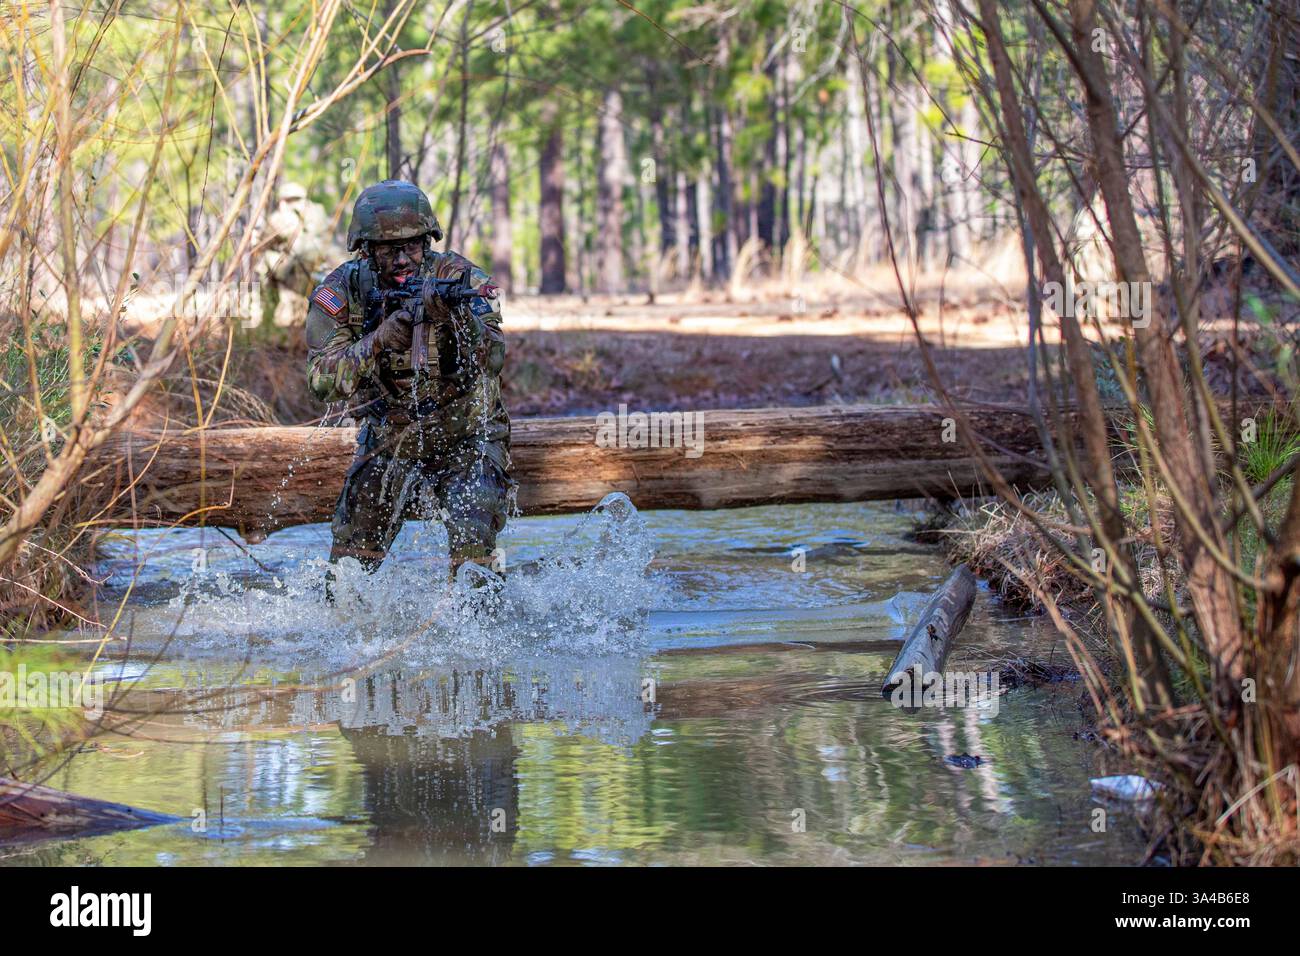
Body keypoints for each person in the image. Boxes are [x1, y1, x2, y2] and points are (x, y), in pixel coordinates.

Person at [305, 180, 513, 592]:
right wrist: (378, 341)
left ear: (427, 240)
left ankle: (479, 644)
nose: (402, 259)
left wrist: (458, 320)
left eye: (412, 246)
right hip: (389, 439)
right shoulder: (343, 290)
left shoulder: (459, 278)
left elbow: (493, 359)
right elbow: (321, 383)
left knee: (476, 565)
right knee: (346, 577)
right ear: (366, 249)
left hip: (466, 436)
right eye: (387, 249)